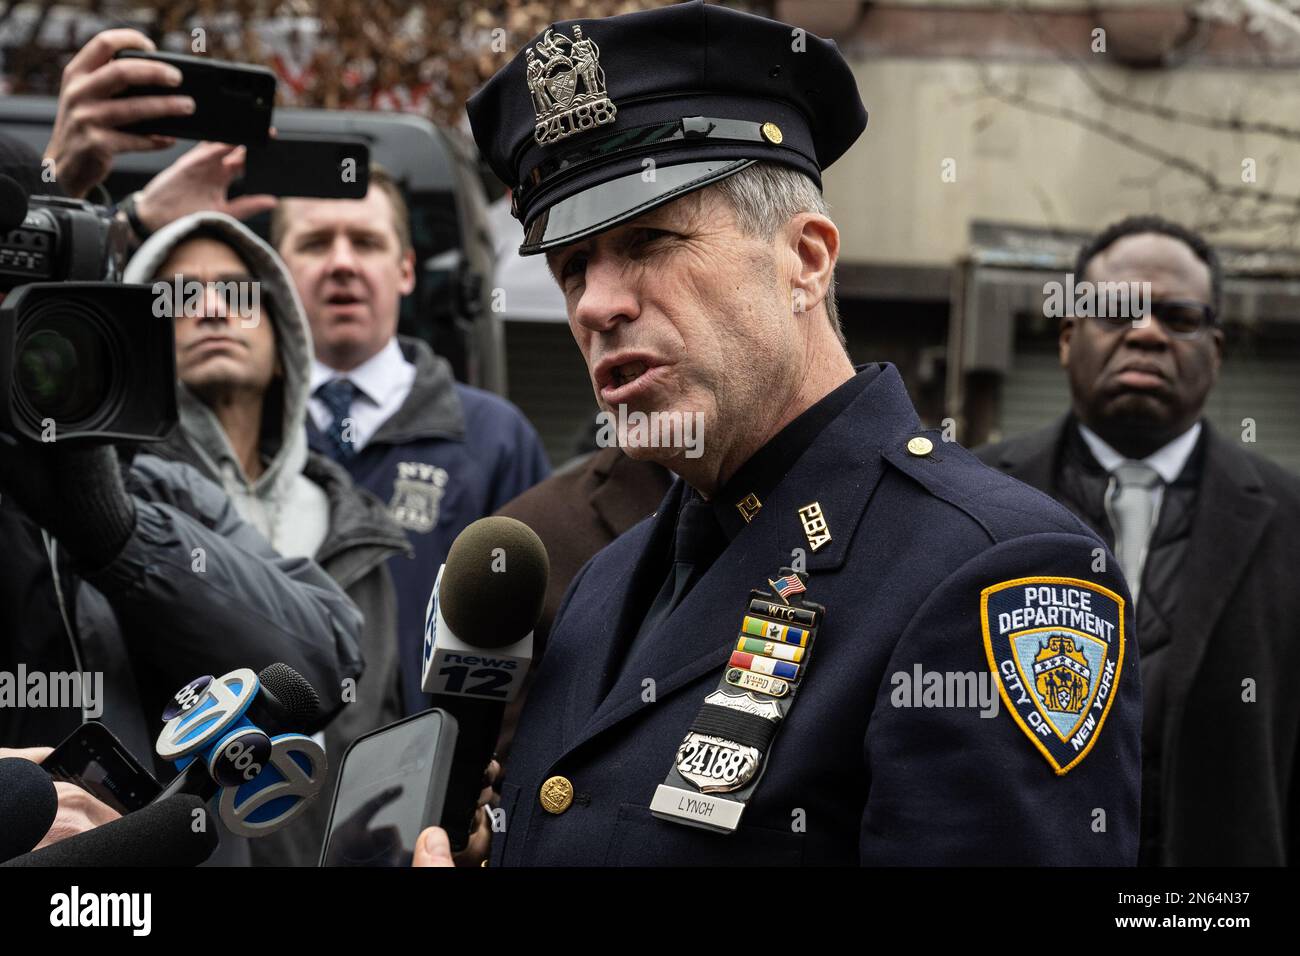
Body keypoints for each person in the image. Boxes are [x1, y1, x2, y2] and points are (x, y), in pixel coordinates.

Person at [439, 0, 1141, 866]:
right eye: (574, 265)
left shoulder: (993, 570)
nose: (596, 304)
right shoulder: (604, 580)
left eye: (649, 240)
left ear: (805, 260)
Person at [976, 216, 1300, 866]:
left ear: (1216, 347)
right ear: (1068, 337)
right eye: (1115, 311)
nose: (1146, 333)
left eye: (1178, 317)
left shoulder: (1290, 519)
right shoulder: (967, 497)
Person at [122, 212, 411, 866]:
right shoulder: (114, 516)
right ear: (134, 345)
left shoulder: (358, 524)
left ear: (287, 345)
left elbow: (384, 734)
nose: (215, 309)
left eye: (240, 292)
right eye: (178, 297)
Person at [270, 171, 551, 716]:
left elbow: (545, 638)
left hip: (433, 783)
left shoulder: (495, 438)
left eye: (367, 242)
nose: (342, 263)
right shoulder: (242, 436)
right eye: (314, 243)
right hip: (268, 786)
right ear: (277, 271)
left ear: (404, 270)